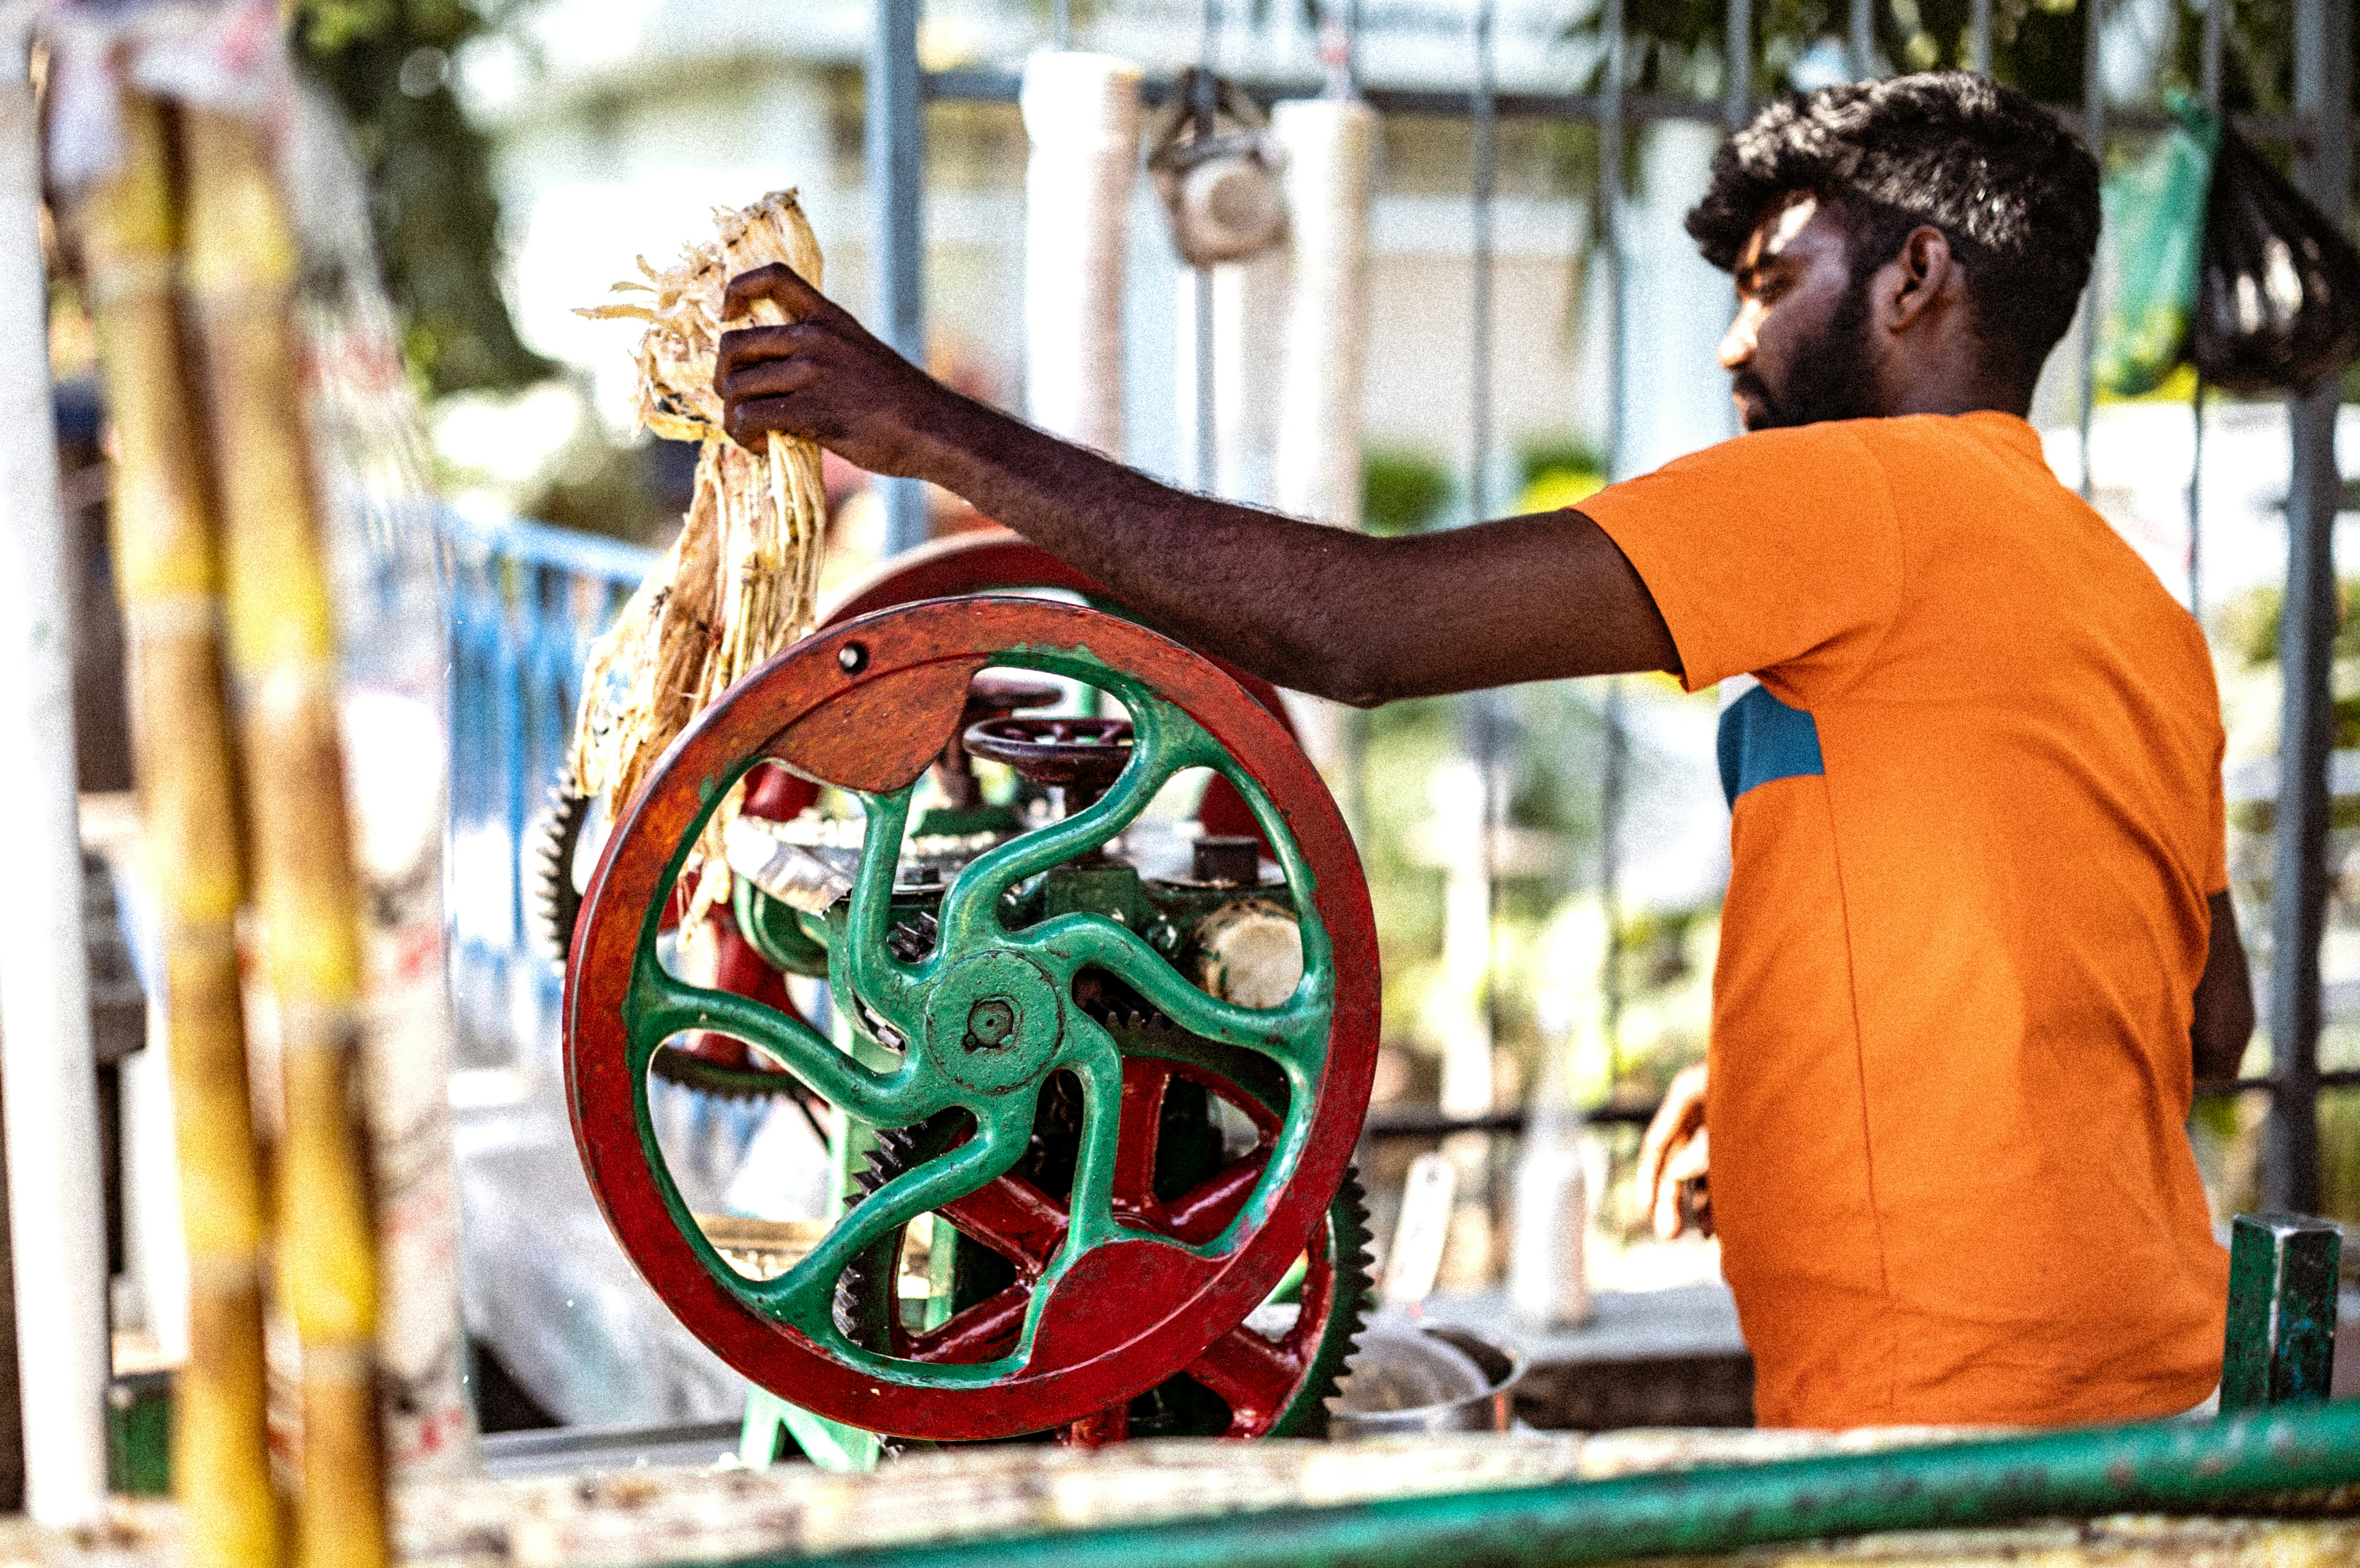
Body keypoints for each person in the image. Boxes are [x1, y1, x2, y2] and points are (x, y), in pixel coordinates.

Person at [714, 72, 2254, 1430]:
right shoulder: (2127, 601)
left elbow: (1364, 631)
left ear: (1919, 277)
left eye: (1773, 280)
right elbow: (2210, 1018)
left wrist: (927, 428)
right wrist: (1796, 1077)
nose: (1734, 344)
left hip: (1948, 1411)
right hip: (2149, 1378)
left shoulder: (1863, 494)